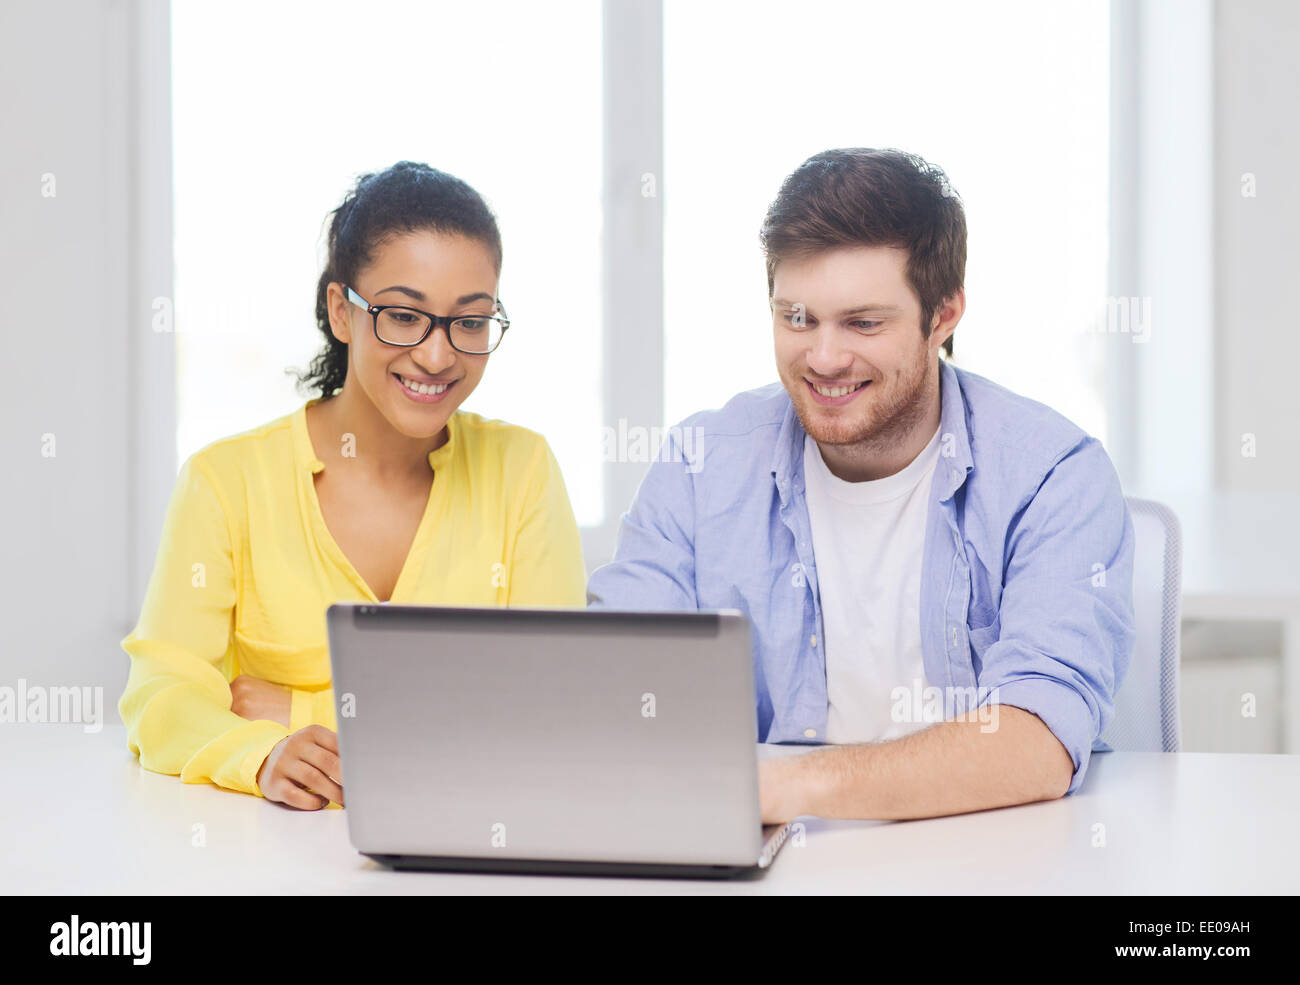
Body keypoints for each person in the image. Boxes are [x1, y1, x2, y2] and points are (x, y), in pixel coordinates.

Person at [587, 148, 1135, 823]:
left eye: (862, 322)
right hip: (766, 858)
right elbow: (618, 692)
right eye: (797, 318)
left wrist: (777, 789)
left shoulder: (1053, 473)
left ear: (944, 315)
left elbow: (1037, 740)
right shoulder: (700, 467)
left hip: (990, 850)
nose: (822, 358)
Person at [119, 162, 586, 810]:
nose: (437, 354)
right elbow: (161, 695)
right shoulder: (223, 484)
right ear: (342, 310)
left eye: (470, 321)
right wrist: (263, 756)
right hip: (264, 861)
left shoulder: (523, 471)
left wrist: (300, 711)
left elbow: (549, 709)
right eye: (403, 315)